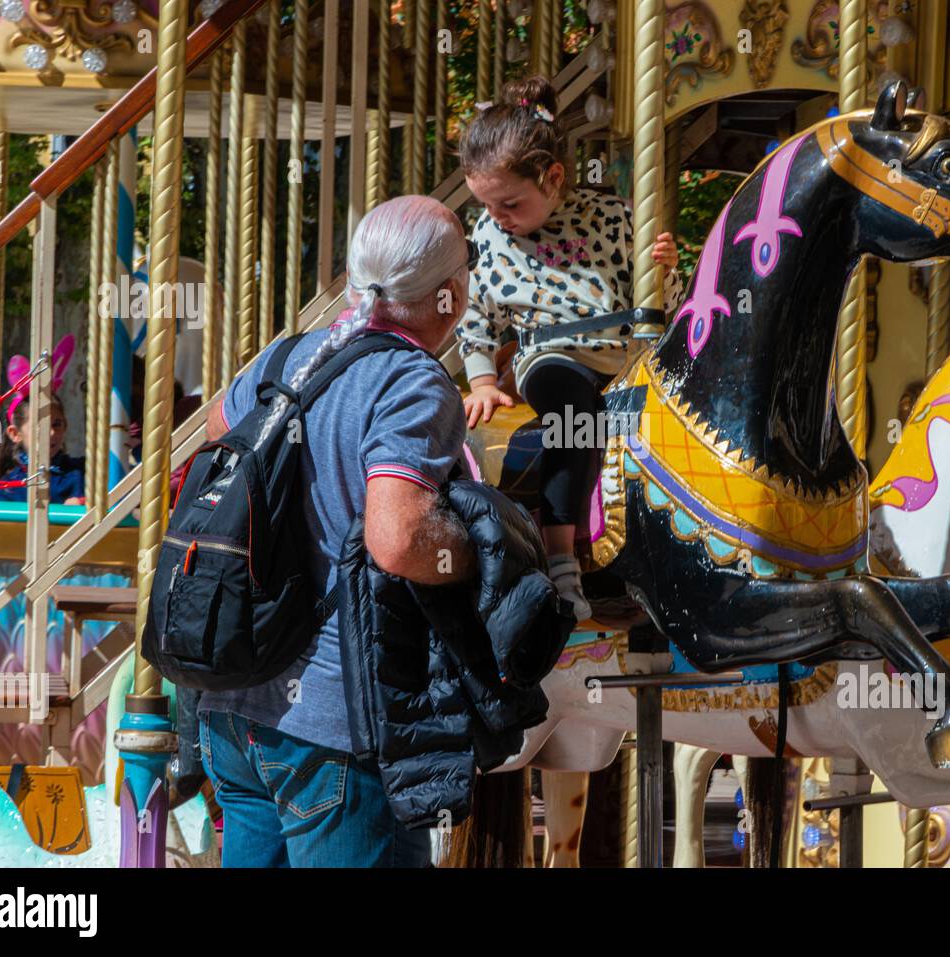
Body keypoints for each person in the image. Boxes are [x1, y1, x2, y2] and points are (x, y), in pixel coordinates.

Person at [197, 195, 478, 868]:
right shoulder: (412, 381)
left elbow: (216, 435)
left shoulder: (285, 358)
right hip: (331, 727)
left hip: (236, 707)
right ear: (449, 296)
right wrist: (477, 552)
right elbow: (399, 537)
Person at [455, 75, 684, 621]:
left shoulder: (614, 218)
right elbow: (475, 312)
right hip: (549, 355)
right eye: (487, 204)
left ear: (554, 177)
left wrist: (666, 270)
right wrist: (483, 379)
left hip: (627, 356)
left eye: (510, 202)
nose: (498, 216)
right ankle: (563, 563)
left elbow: (664, 304)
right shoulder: (488, 237)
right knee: (576, 415)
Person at [0, 395, 86, 505]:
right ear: (15, 434)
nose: (52, 432)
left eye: (57, 424)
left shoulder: (81, 471)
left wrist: (84, 502)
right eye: (40, 426)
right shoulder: (8, 487)